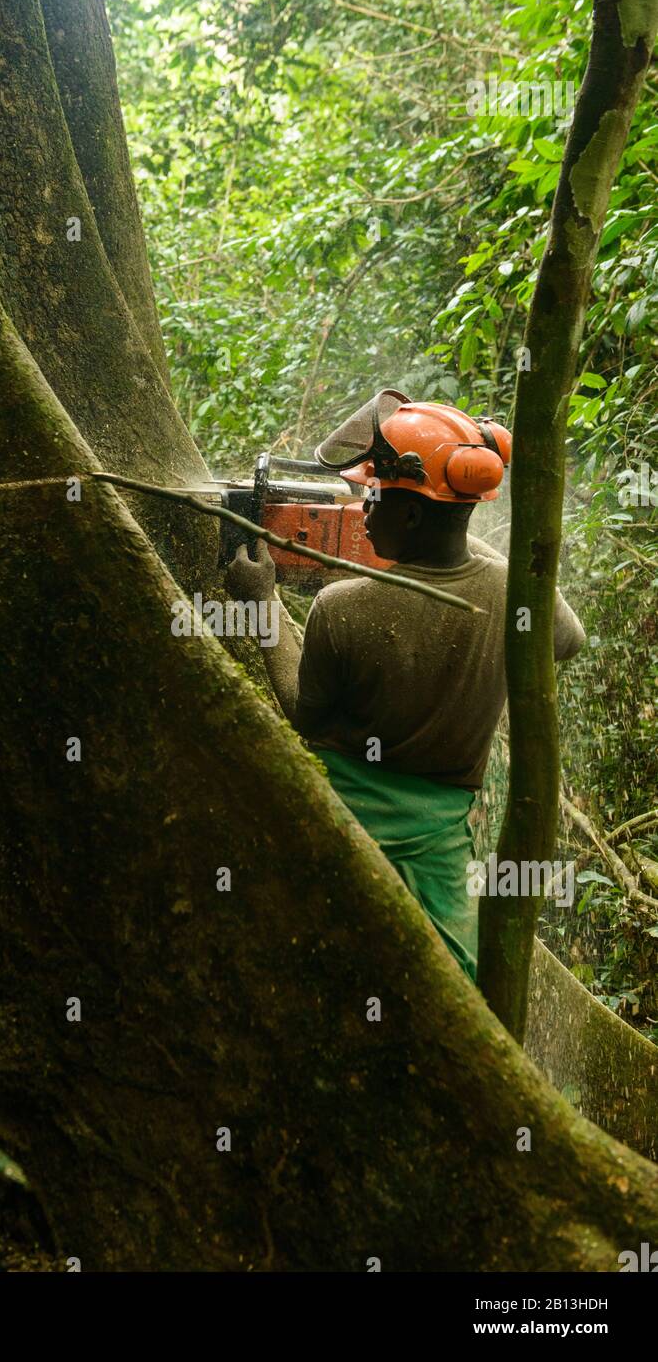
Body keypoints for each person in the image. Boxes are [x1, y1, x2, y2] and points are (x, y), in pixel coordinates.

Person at [226, 390, 585, 980]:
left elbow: (303, 715)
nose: (363, 510)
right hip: (441, 846)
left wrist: (263, 604)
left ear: (413, 515)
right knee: (450, 984)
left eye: (376, 497)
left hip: (338, 827)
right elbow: (567, 639)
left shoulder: (341, 608)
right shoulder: (509, 595)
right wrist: (465, 538)